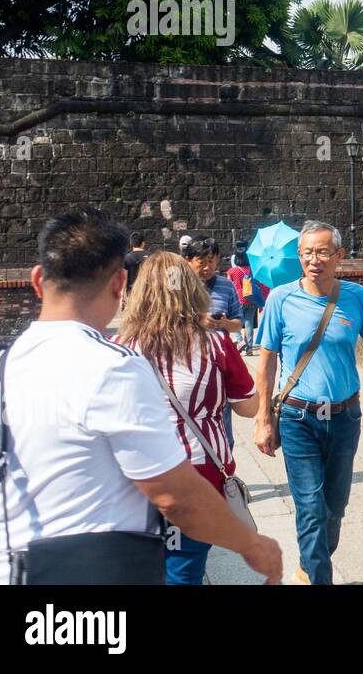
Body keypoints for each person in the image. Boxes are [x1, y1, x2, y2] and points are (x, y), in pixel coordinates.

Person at [0, 209, 282, 585]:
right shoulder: (115, 366)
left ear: (37, 279)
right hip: (97, 570)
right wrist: (252, 545)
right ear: (120, 283)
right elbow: (173, 496)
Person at [253, 221, 363, 585]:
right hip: (298, 416)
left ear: (339, 256)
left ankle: (309, 564)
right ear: (298, 257)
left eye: (323, 252)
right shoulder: (280, 298)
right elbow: (265, 361)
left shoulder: (357, 297)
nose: (315, 260)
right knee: (311, 509)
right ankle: (319, 578)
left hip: (345, 418)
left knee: (334, 510)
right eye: (307, 253)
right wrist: (263, 417)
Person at [115, 252, 259, 585]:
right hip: (200, 472)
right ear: (192, 290)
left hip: (136, 475)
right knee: (185, 568)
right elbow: (248, 407)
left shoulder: (119, 347)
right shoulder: (217, 344)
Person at [184, 236, 244, 449]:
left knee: (223, 418)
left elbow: (239, 324)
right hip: (184, 364)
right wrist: (197, 319)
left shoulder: (226, 286)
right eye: (201, 262)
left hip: (219, 364)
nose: (207, 267)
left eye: (211, 261)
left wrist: (226, 323)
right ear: (188, 260)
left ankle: (225, 466)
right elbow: (166, 317)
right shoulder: (177, 285)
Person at [227, 246, 268, 356]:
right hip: (251, 299)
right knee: (249, 323)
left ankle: (240, 341)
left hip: (238, 300)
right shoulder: (252, 270)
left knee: (234, 320)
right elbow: (259, 284)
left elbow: (229, 286)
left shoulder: (232, 271)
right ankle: (249, 348)